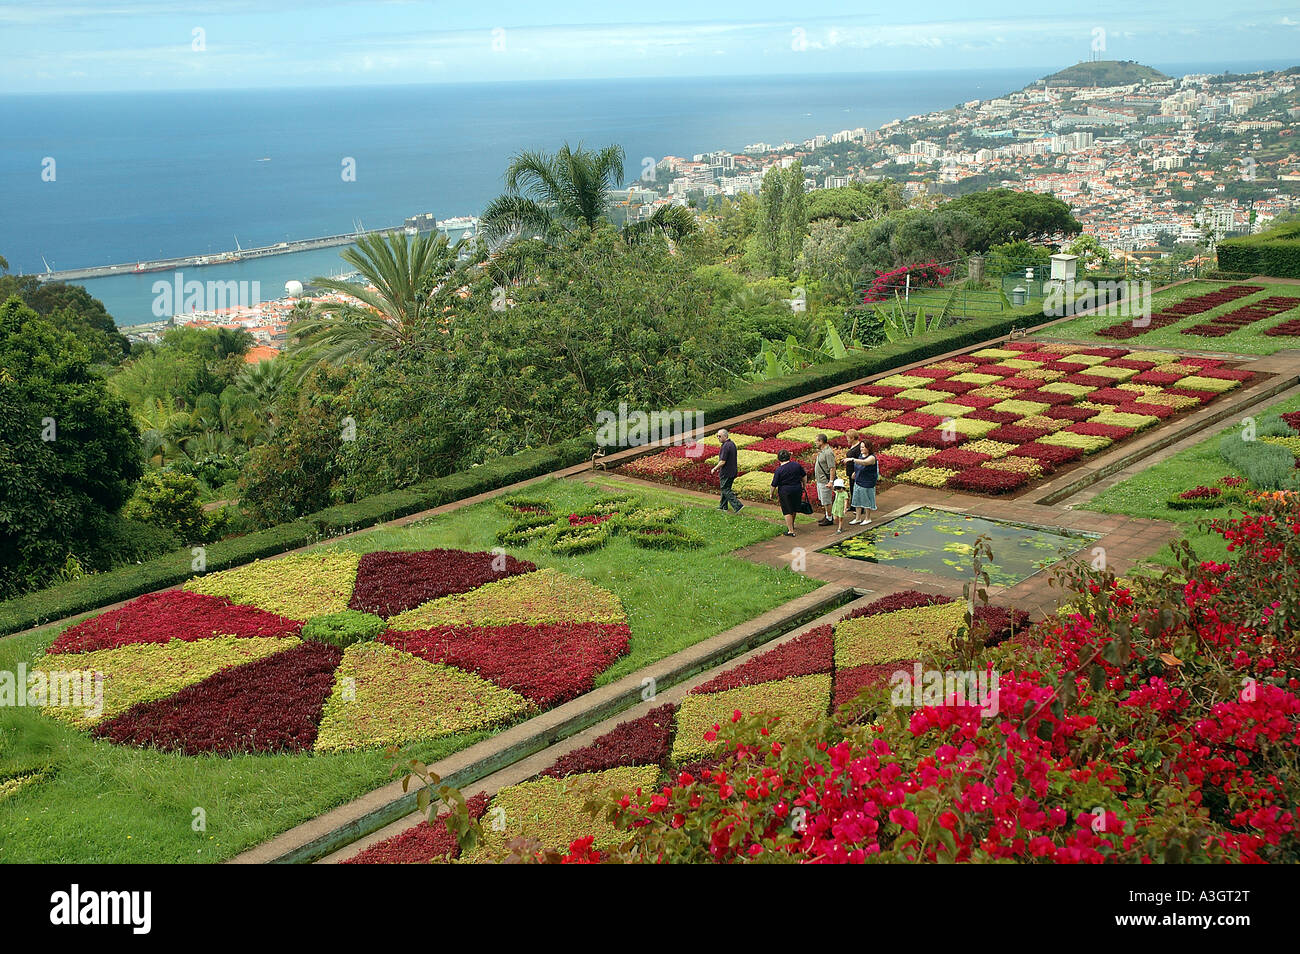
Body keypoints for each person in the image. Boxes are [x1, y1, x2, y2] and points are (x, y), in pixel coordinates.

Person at [769, 449, 807, 537]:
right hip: (797, 489)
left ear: (779, 459)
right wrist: (804, 486)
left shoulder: (779, 470)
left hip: (785, 492)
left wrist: (771, 494)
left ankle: (790, 531)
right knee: (794, 508)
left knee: (787, 510)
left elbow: (773, 484)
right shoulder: (796, 465)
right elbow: (804, 475)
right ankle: (792, 525)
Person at [709, 428, 744, 515]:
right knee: (725, 488)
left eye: (719, 436)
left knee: (725, 489)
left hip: (726, 472)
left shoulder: (725, 446)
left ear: (725, 436)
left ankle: (737, 505)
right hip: (732, 471)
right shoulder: (732, 444)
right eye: (717, 436)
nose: (718, 438)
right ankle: (723, 506)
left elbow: (722, 461)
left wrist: (714, 468)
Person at [845, 440, 878, 525]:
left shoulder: (872, 457)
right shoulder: (860, 455)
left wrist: (852, 459)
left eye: (863, 447)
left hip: (867, 482)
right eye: (861, 447)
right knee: (857, 500)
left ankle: (868, 518)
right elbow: (859, 466)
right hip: (858, 481)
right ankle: (858, 518)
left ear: (868, 448)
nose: (861, 449)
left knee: (866, 500)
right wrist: (855, 473)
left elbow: (864, 463)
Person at [812, 433, 836, 527]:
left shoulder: (828, 452)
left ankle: (829, 518)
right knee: (823, 499)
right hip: (820, 480)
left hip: (825, 481)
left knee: (826, 501)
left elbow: (832, 468)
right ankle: (827, 515)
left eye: (816, 441)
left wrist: (831, 481)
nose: (815, 442)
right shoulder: (822, 451)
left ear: (821, 442)